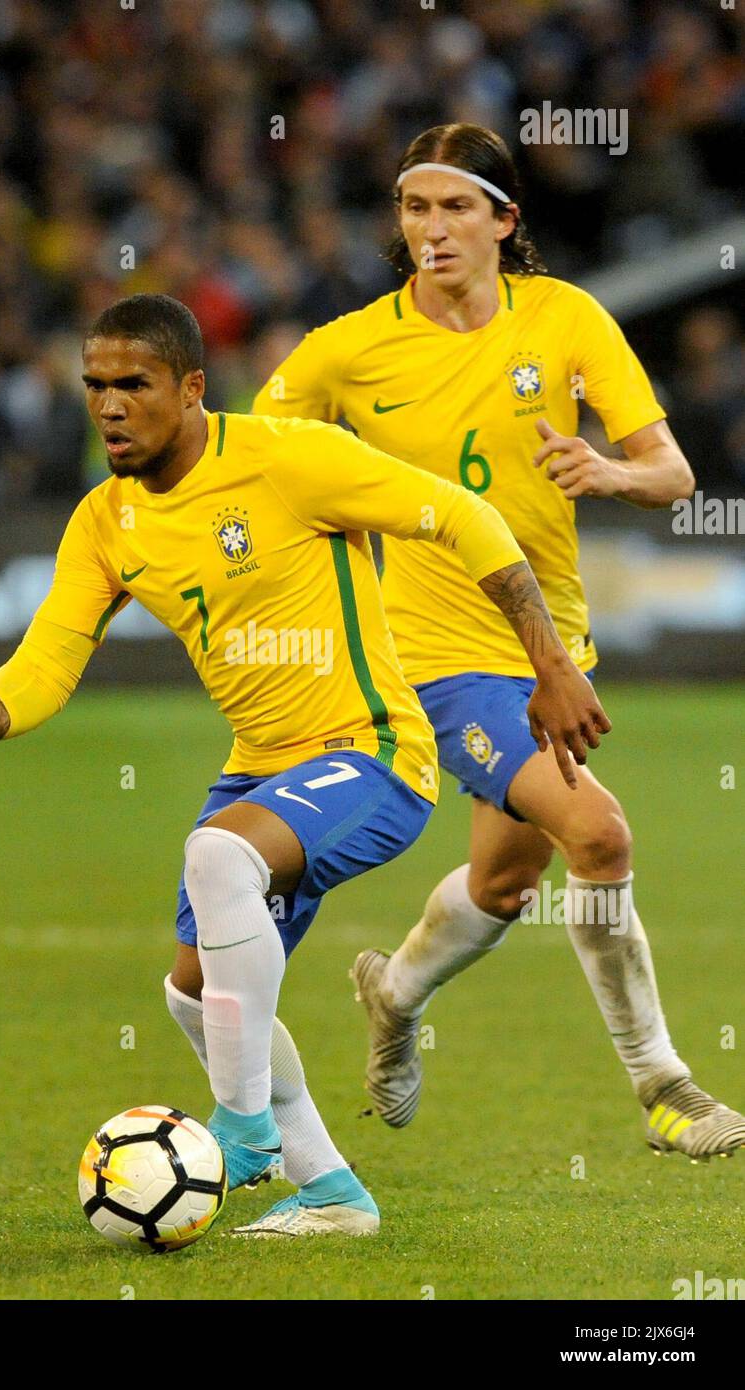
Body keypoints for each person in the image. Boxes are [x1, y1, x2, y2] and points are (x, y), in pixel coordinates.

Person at [0, 293, 609, 1238]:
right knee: (195, 992)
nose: (108, 406)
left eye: (133, 385)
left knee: (218, 858)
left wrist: (548, 661)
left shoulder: (287, 458)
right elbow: (50, 661)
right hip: (262, 772)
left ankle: (244, 1129)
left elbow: (464, 517)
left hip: (375, 752)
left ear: (190, 389)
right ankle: (335, 1197)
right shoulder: (106, 522)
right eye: (94, 385)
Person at [252, 123, 745, 1160]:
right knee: (598, 834)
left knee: (502, 885)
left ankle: (391, 991)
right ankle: (663, 1087)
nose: (430, 230)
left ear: (502, 222)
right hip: (429, 655)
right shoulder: (345, 349)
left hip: (550, 643)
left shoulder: (562, 317)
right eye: (413, 209)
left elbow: (672, 475)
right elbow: (254, 463)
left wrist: (605, 471)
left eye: (454, 208)